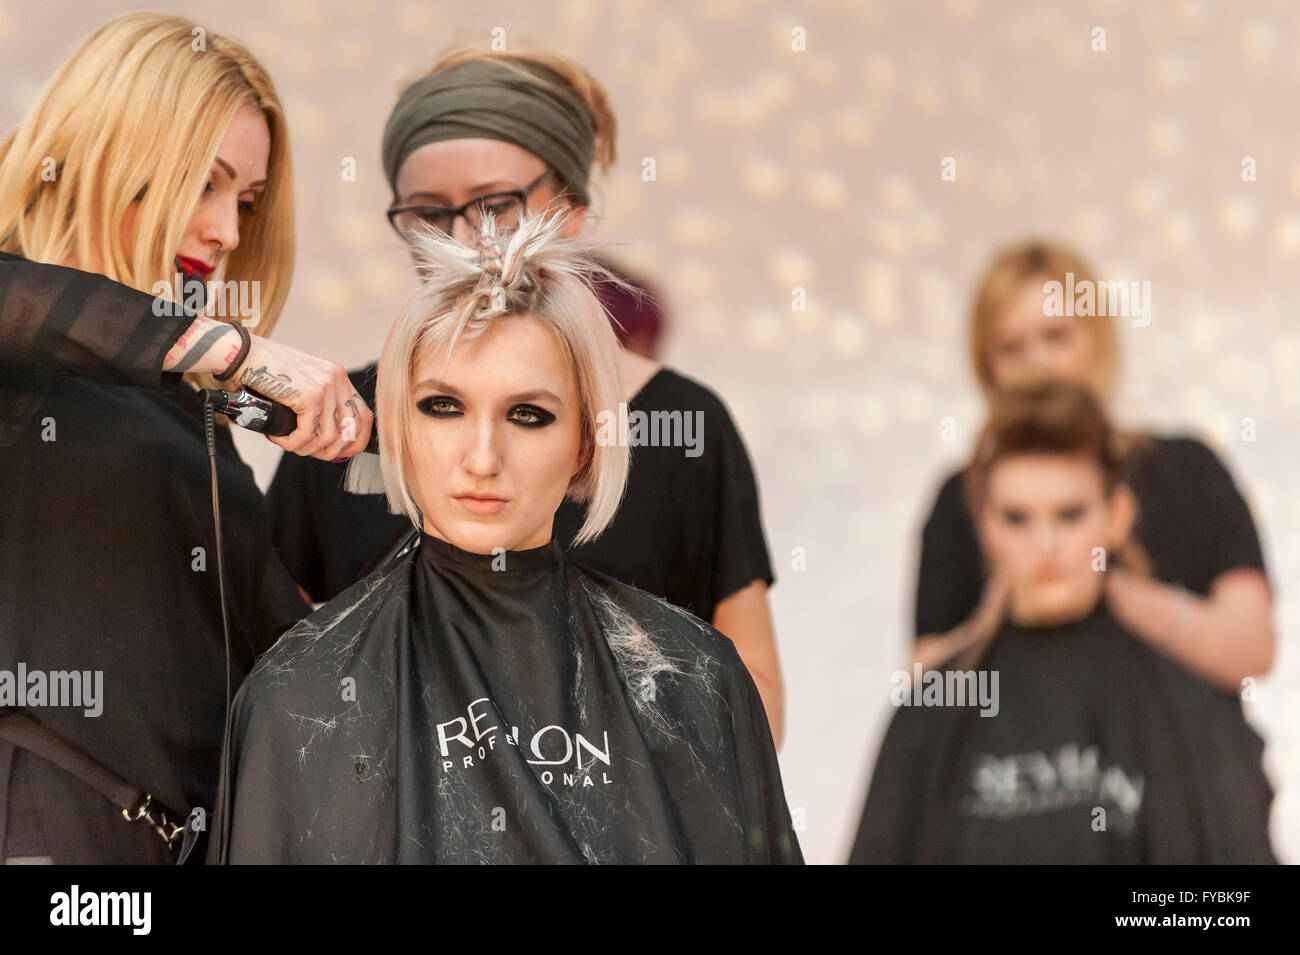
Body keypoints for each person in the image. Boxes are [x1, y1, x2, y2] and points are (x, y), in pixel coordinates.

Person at [210, 212, 802, 864]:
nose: (483, 457)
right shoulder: (296, 696)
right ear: (401, 428)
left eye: (528, 415)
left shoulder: (692, 681)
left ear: (583, 442)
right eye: (444, 406)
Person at [265, 47, 787, 747]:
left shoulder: (684, 426)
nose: (461, 240)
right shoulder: (340, 418)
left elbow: (755, 704)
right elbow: (270, 687)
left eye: (493, 206)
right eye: (427, 213)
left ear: (570, 211)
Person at [0, 13, 333, 863]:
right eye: (205, 182)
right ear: (110, 146)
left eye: (244, 201)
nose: (226, 231)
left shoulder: (192, 404)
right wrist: (231, 353)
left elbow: (274, 644)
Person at [851, 381, 1274, 863]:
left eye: (1070, 515)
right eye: (1017, 518)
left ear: (1117, 516)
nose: (1045, 544)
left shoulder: (1186, 690)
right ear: (984, 525)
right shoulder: (937, 707)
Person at [911, 240, 1275, 698]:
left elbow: (1253, 649)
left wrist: (1118, 596)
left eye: (1056, 337)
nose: (1038, 365)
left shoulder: (1187, 470)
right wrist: (997, 617)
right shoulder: (960, 497)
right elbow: (924, 690)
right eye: (1012, 348)